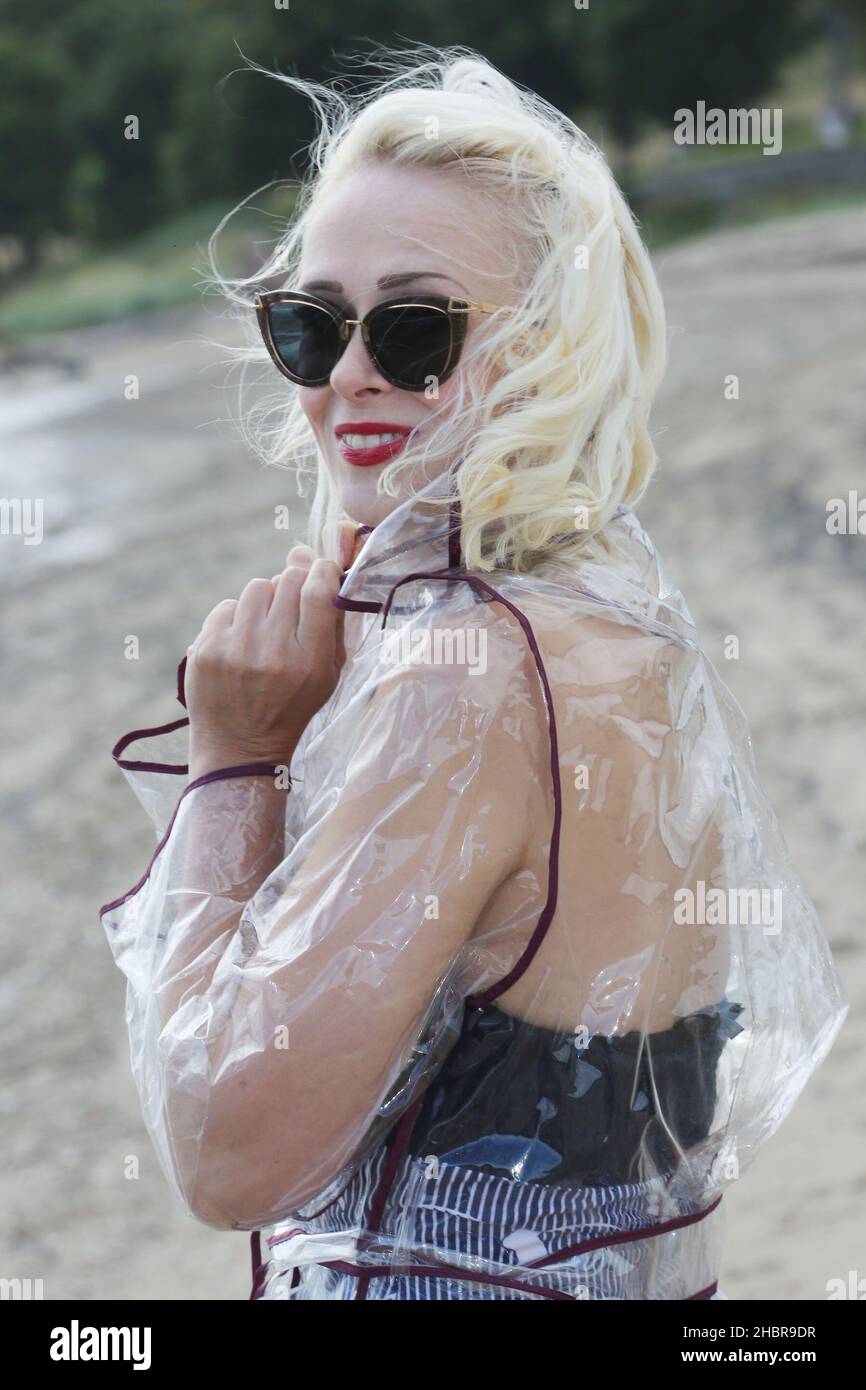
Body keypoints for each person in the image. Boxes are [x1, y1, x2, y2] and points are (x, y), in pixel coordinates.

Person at [99, 46, 847, 1301]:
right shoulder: (623, 623)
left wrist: (236, 763)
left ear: (550, 348)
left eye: (412, 327)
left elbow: (229, 1152)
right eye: (310, 324)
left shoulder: (465, 672)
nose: (347, 375)